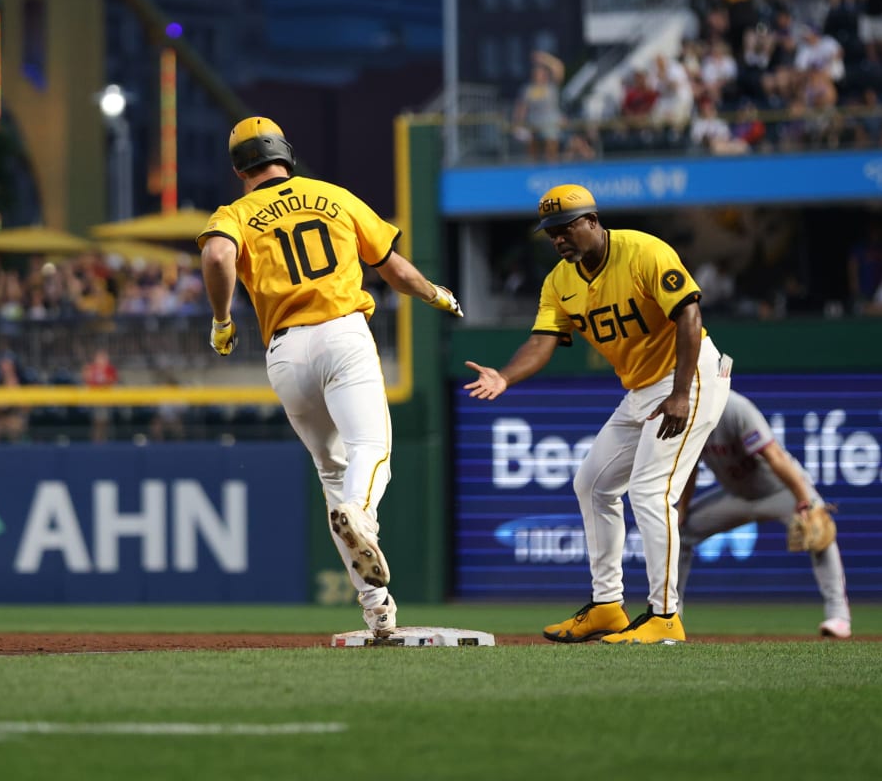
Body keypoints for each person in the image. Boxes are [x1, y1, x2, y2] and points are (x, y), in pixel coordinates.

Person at [198, 116, 464, 638]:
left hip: (285, 353)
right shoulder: (333, 196)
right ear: (285, 154)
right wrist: (437, 294)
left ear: (239, 169)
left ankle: (378, 611)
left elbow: (216, 252)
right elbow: (396, 270)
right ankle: (361, 516)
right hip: (342, 334)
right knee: (371, 449)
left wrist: (222, 320)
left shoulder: (236, 212)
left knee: (331, 474)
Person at [463, 184, 731, 645]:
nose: (559, 239)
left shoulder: (643, 251)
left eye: (566, 227)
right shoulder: (559, 281)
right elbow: (542, 341)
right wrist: (505, 377)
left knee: (649, 492)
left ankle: (665, 616)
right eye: (551, 232)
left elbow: (688, 314)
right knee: (592, 483)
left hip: (691, 375)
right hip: (641, 388)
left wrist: (682, 393)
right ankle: (608, 606)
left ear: (592, 220)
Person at [677, 390, 852, 637]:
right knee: (679, 531)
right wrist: (682, 509)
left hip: (779, 490)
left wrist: (804, 500)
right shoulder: (689, 410)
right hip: (736, 496)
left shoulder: (736, 408)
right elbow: (689, 468)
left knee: (819, 527)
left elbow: (776, 456)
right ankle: (671, 615)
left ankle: (839, 617)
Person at [513, 50, 566, 162]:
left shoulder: (551, 86)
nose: (537, 74)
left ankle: (552, 171)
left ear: (545, 74)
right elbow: (521, 108)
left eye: (540, 72)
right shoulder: (528, 89)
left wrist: (545, 58)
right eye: (535, 72)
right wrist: (518, 124)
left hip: (550, 124)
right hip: (533, 124)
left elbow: (559, 67)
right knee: (533, 152)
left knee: (550, 150)